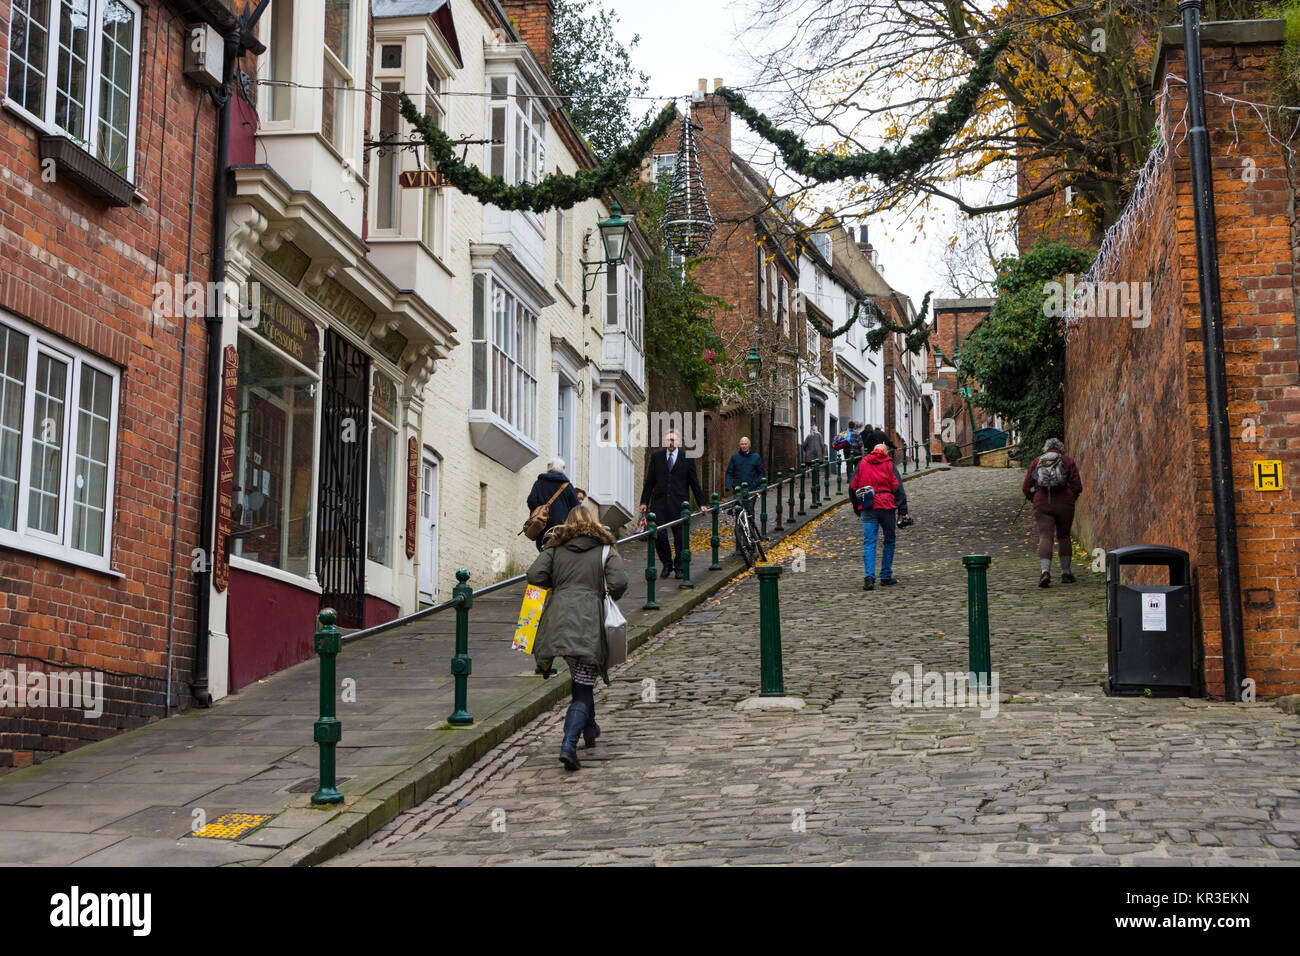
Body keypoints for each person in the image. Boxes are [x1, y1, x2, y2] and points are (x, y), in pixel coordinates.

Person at [528, 508, 628, 772]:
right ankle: (568, 745)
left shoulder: (555, 548)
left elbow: (534, 576)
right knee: (583, 687)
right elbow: (619, 583)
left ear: (567, 524)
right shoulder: (606, 549)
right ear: (595, 523)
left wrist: (559, 582)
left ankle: (590, 729)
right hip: (587, 622)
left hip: (557, 621)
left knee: (581, 677)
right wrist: (600, 592)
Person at [639, 431, 708, 579]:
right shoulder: (657, 457)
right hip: (659, 503)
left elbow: (694, 482)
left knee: (680, 538)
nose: (670, 443)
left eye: (672, 440)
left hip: (679, 503)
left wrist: (702, 503)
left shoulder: (686, 458)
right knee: (658, 535)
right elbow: (650, 481)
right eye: (667, 440)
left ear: (678, 442)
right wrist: (644, 502)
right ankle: (666, 564)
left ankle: (679, 567)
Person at [1023, 437, 1083, 587]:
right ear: (1060, 449)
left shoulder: (1036, 462)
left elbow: (1026, 487)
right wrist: (1070, 497)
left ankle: (1045, 572)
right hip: (1065, 503)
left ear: (1046, 449)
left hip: (1042, 503)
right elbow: (1077, 485)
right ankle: (1066, 572)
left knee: (1045, 536)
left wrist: (1034, 498)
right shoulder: (1067, 461)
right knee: (1064, 536)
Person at [850, 442, 901, 591]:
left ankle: (869, 577)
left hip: (868, 506)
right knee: (889, 540)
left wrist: (856, 507)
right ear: (885, 452)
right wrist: (903, 509)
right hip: (887, 506)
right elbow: (898, 487)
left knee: (869, 542)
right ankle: (885, 576)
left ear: (873, 451)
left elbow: (853, 487)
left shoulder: (862, 463)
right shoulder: (889, 464)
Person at [526, 458, 581, 551]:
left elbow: (531, 501)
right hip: (562, 528)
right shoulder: (567, 486)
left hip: (542, 526)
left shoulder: (539, 483)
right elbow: (576, 508)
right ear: (563, 469)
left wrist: (540, 510)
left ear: (549, 467)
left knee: (545, 552)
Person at [724, 436, 766, 553]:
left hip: (751, 491)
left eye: (745, 444)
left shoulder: (755, 457)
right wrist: (728, 486)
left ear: (749, 444)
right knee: (739, 516)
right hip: (738, 492)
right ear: (739, 444)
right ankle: (740, 546)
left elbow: (761, 474)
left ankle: (751, 540)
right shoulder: (735, 458)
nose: (744, 446)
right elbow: (729, 473)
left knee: (749, 513)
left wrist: (754, 485)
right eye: (742, 444)